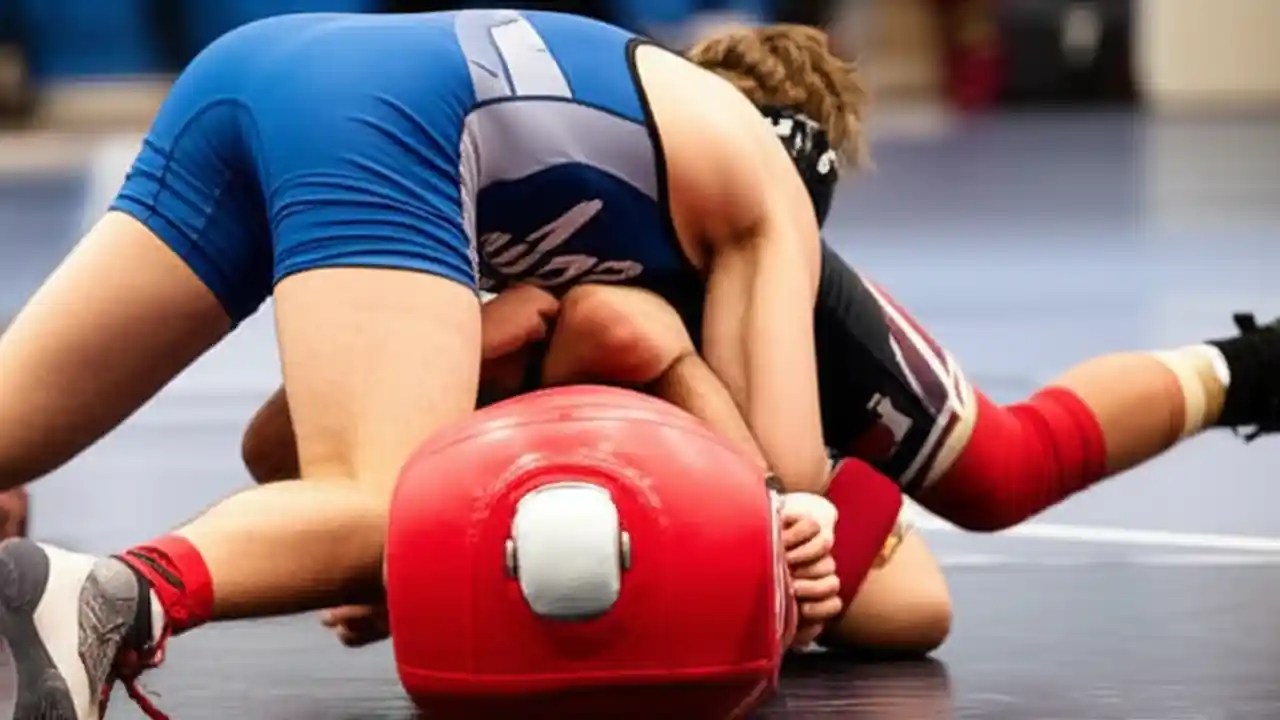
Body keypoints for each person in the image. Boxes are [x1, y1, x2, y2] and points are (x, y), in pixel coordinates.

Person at [0, 10, 857, 718]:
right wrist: (802, 528)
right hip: (395, 110)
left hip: (262, 67)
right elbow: (785, 488)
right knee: (388, 502)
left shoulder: (566, 205)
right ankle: (110, 595)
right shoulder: (767, 197)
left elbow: (275, 450)